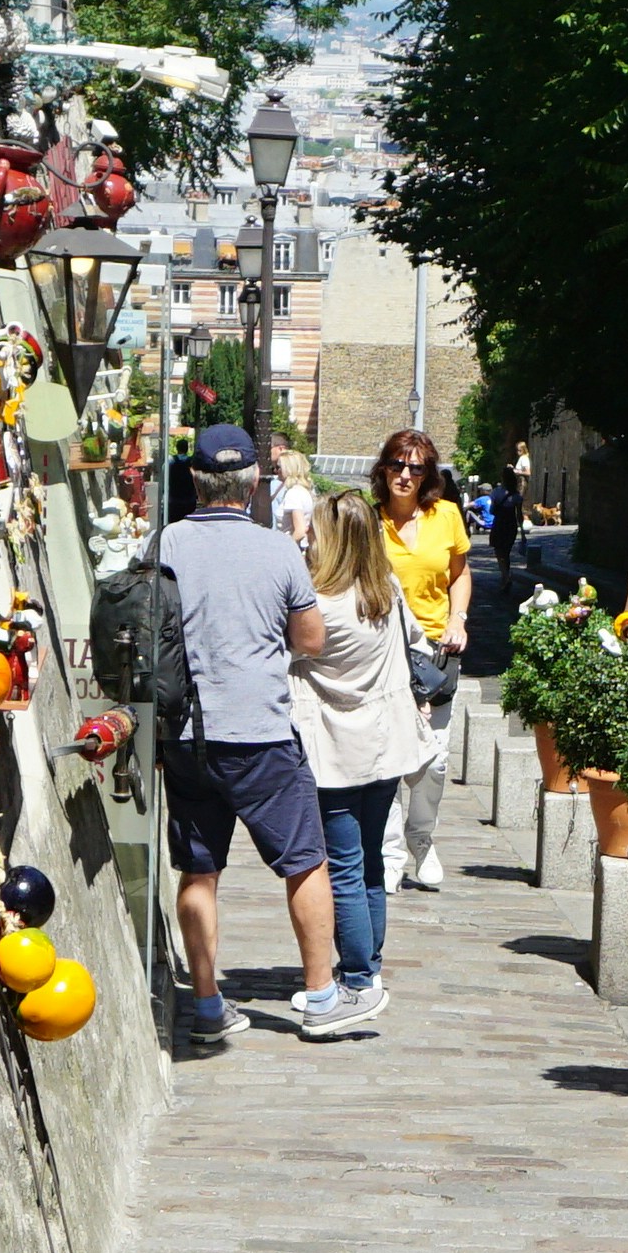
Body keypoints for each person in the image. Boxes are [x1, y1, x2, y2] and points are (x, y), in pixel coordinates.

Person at [148, 425, 367, 1049]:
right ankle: (322, 997)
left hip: (187, 734)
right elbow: (310, 641)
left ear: (195, 480)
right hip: (261, 734)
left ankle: (210, 1005)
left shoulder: (164, 542)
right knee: (305, 863)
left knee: (198, 871)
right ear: (253, 484)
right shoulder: (278, 553)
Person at [289, 485, 437, 1020]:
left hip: (335, 748)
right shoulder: (387, 591)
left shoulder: (318, 604)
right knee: (371, 861)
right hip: (385, 744)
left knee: (344, 869)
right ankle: (369, 963)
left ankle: (356, 978)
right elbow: (417, 640)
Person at [365, 430, 471, 880]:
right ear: (383, 469)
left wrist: (458, 620)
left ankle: (421, 837)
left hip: (435, 650)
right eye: (396, 465)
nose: (404, 475)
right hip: (383, 650)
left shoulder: (445, 515)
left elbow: (459, 576)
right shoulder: (369, 522)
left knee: (434, 757)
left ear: (428, 474)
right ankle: (389, 854)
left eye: (415, 468)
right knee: (386, 755)